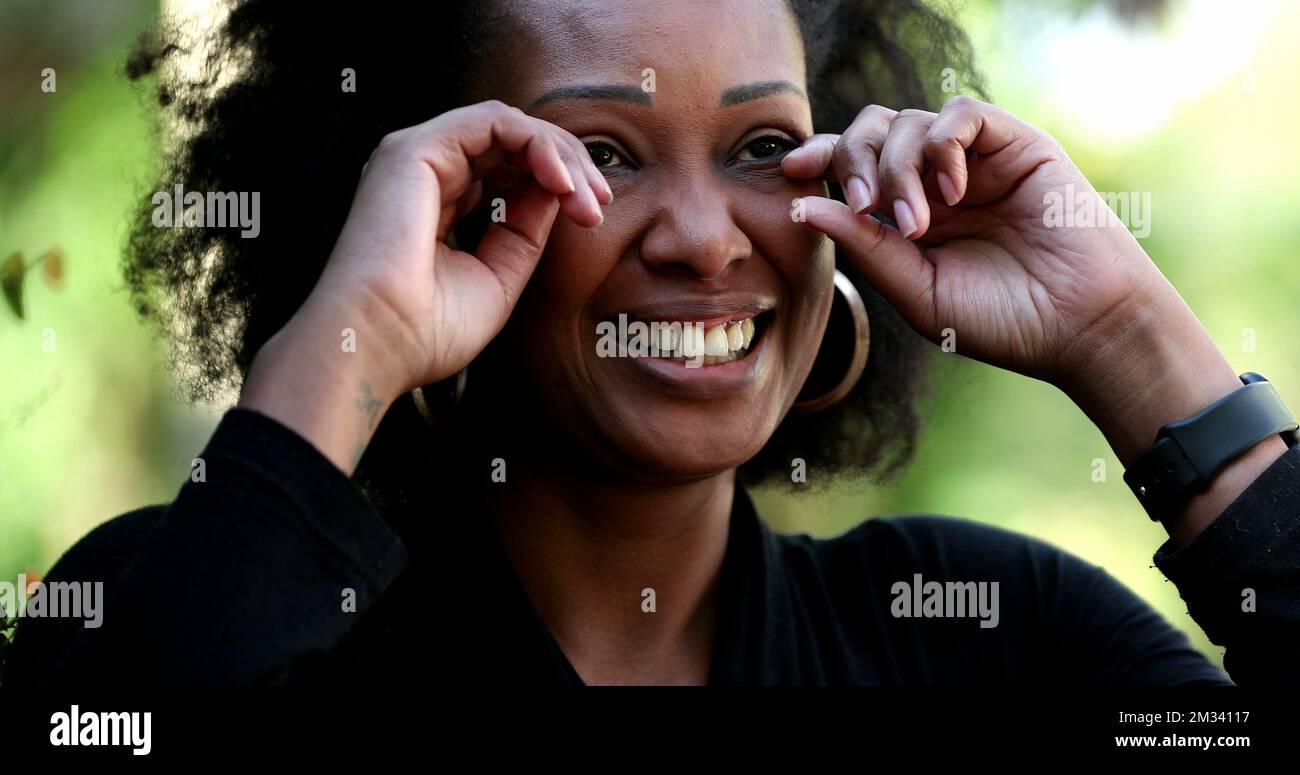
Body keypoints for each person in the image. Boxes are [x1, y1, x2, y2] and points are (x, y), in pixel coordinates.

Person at [8, 0, 1299, 686]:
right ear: (433, 203)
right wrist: (347, 350)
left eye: (756, 151)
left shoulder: (995, 642)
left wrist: (1134, 340)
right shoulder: (187, 613)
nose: (703, 236)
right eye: (603, 157)